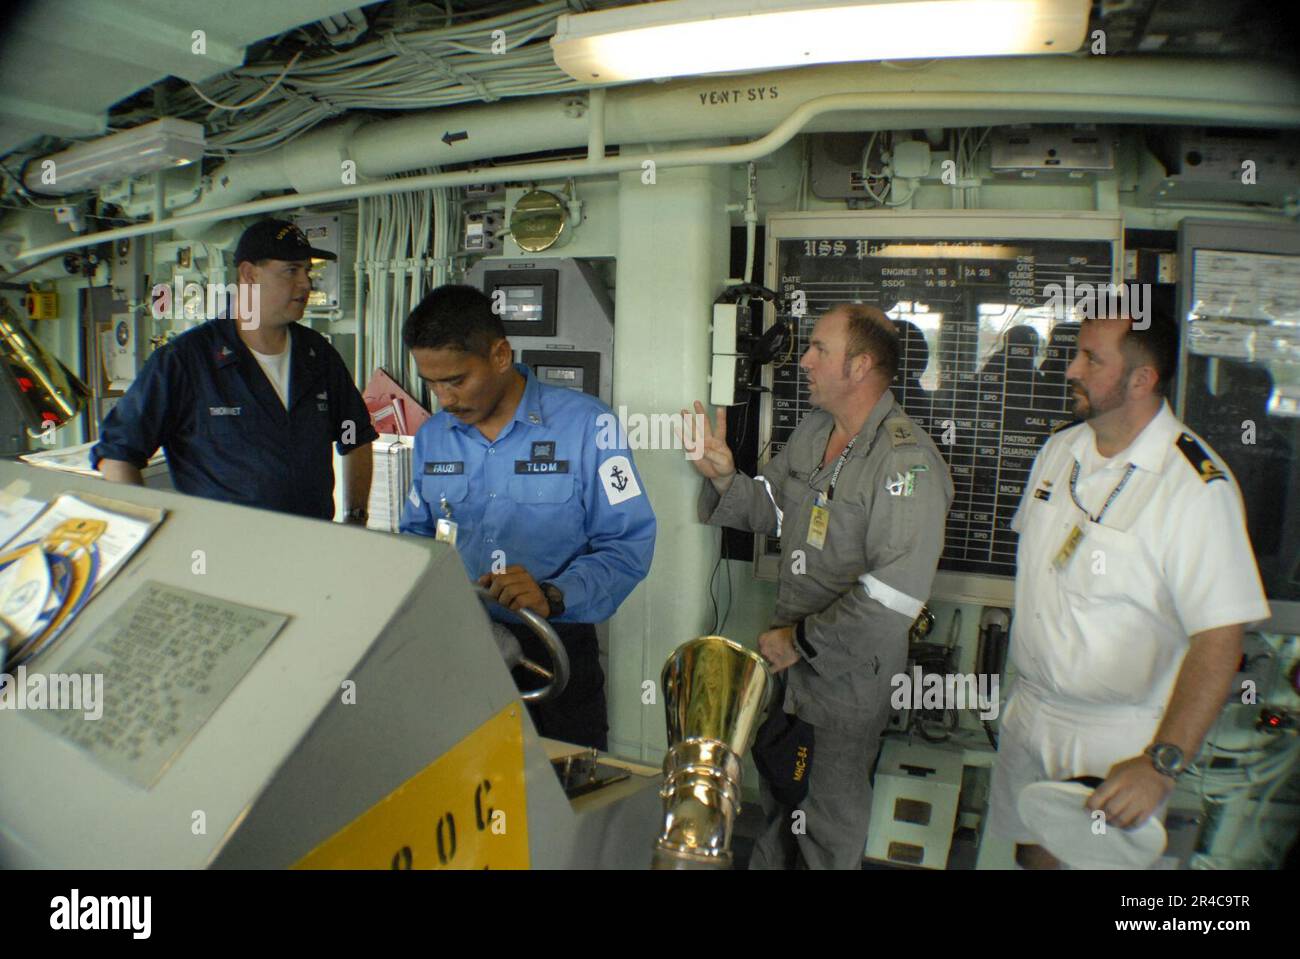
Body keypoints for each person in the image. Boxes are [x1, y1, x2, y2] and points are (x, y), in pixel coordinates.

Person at [988, 306, 1271, 868]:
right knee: (1033, 860)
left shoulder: (1193, 486)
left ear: (1141, 379)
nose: (1070, 369)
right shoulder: (1057, 453)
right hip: (1033, 713)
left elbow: (1220, 639)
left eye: (1092, 358)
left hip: (1116, 739)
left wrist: (1161, 762)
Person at [684, 303, 953, 869]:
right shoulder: (814, 431)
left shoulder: (907, 462)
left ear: (859, 367)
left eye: (818, 351)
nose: (802, 360)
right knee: (782, 799)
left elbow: (895, 596)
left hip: (845, 679)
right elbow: (776, 510)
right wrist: (724, 477)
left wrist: (801, 641)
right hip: (791, 668)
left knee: (826, 825)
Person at [399, 284, 656, 750]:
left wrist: (553, 595)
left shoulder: (587, 428)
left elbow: (627, 546)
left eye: (456, 380)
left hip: (555, 648)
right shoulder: (434, 437)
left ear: (500, 355)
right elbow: (416, 536)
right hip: (461, 645)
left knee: (563, 798)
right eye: (431, 383)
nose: (444, 399)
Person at [92, 219, 376, 523]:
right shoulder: (185, 361)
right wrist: (146, 531)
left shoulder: (318, 355)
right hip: (221, 556)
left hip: (311, 549)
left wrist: (355, 517)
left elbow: (355, 436)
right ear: (249, 274)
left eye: (308, 270)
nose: (306, 283)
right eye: (292, 270)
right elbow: (118, 456)